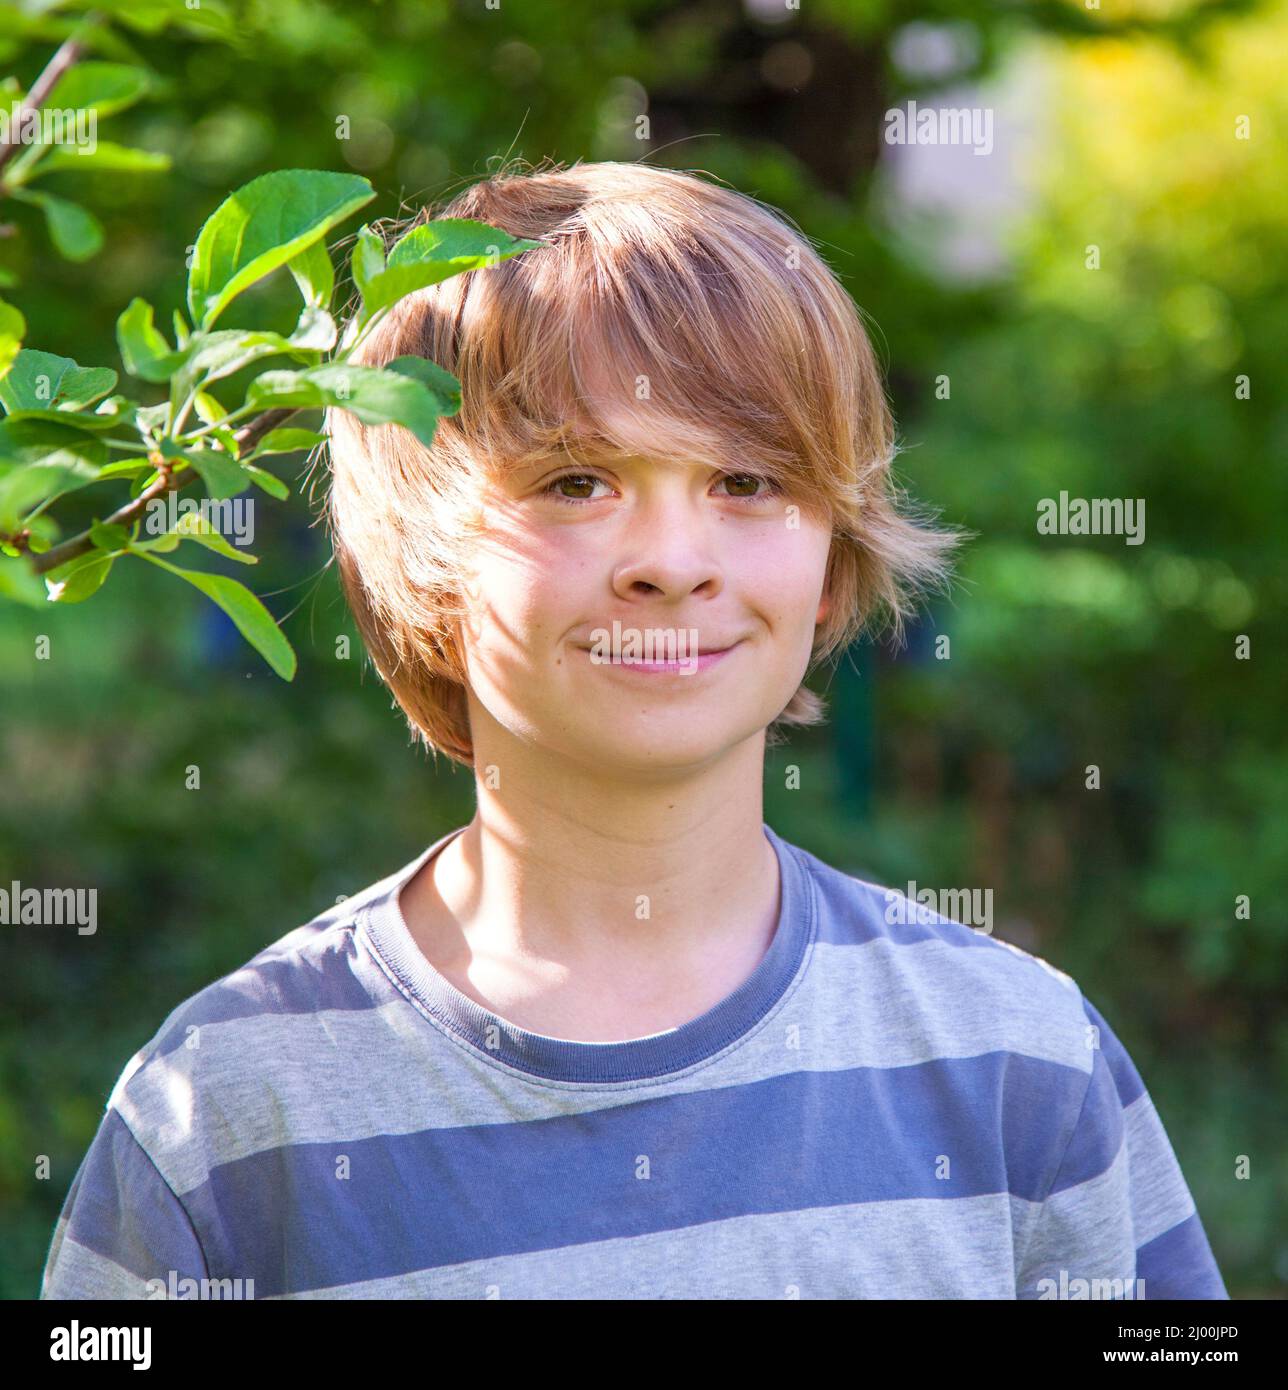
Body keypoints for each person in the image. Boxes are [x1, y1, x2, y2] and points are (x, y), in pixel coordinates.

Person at [40, 159, 1227, 1300]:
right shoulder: (225, 1113)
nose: (670, 563)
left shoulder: (1021, 1062)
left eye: (747, 482)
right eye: (575, 482)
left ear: (830, 562)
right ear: (427, 564)